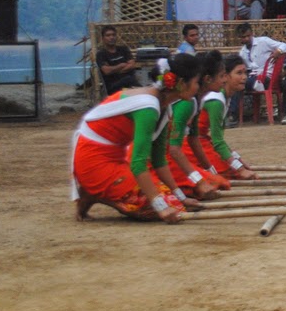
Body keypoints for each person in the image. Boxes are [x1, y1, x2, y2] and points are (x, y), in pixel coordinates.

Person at [71, 54, 204, 222]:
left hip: (113, 159)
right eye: (197, 82)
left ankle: (96, 192)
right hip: (93, 160)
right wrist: (161, 208)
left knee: (175, 203)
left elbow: (158, 159)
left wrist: (180, 196)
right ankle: (96, 193)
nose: (198, 88)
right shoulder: (149, 109)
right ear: (182, 84)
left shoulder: (163, 107)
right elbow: (138, 162)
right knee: (157, 206)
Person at [166, 49, 228, 199]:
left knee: (219, 181)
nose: (225, 80)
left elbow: (194, 140)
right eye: (221, 76)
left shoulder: (195, 101)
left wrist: (210, 170)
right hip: (164, 158)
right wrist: (199, 181)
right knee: (214, 184)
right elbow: (174, 149)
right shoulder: (188, 102)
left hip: (168, 155)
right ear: (206, 79)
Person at [193, 53, 259, 180]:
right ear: (226, 76)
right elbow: (217, 141)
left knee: (230, 168)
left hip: (203, 141)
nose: (244, 77)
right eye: (239, 73)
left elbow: (217, 140)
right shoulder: (216, 101)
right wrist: (239, 168)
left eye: (245, 73)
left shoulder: (224, 97)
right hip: (197, 144)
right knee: (229, 174)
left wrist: (238, 159)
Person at [230, 22, 286, 122]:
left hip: (268, 77)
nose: (246, 39)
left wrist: (278, 51)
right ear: (239, 38)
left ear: (252, 33)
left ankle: (258, 83)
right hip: (252, 78)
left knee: (244, 82)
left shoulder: (264, 41)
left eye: (248, 36)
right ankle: (232, 116)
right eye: (243, 37)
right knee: (236, 84)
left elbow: (285, 45)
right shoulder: (242, 52)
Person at [95, 25, 140, 94]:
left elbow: (132, 65)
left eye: (113, 35)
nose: (111, 37)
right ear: (103, 38)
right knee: (129, 79)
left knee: (130, 79)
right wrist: (121, 65)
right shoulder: (101, 54)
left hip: (129, 82)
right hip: (113, 86)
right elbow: (106, 71)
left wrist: (115, 70)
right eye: (108, 35)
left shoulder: (123, 49)